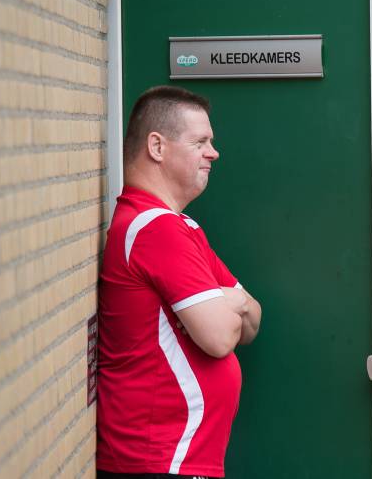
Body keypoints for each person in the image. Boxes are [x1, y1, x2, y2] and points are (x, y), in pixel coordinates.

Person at [97, 86, 262, 478]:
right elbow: (221, 337)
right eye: (200, 141)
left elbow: (253, 319)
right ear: (157, 146)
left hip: (175, 460)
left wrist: (230, 304)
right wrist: (231, 303)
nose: (213, 152)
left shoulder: (181, 227)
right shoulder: (156, 230)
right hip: (157, 460)